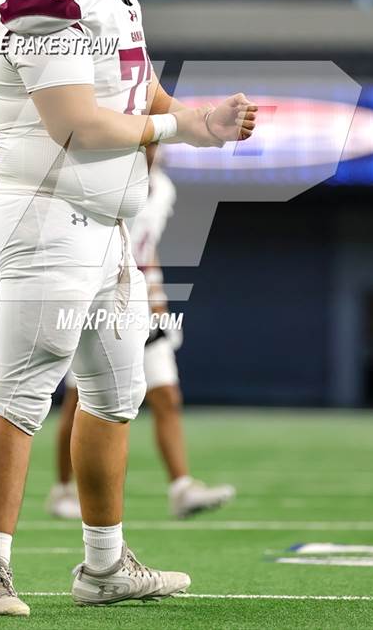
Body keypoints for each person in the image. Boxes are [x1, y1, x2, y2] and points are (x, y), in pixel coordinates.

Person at [0, 0, 257, 617]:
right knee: (22, 391)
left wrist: (203, 120)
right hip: (48, 214)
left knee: (116, 393)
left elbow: (145, 98)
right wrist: (170, 131)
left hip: (108, 224)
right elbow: (78, 125)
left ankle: (103, 566)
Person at [47, 145, 236, 521]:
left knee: (166, 395)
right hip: (99, 297)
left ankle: (181, 486)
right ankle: (64, 489)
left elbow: (147, 251)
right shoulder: (104, 184)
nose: (153, 151)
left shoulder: (163, 188)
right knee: (80, 399)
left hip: (142, 300)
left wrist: (157, 298)